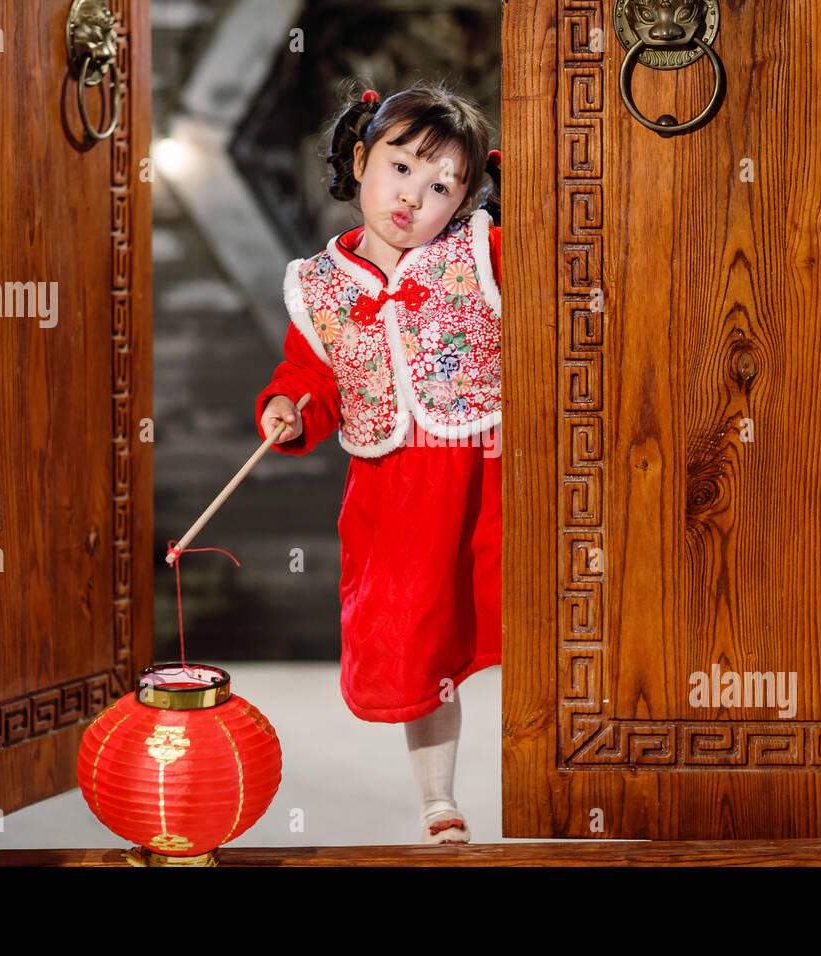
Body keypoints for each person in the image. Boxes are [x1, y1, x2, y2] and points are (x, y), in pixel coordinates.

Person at [254, 80, 501, 845]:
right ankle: (438, 799)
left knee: (528, 617)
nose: (412, 197)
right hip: (397, 491)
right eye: (401, 168)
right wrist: (288, 411)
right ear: (360, 158)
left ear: (461, 200)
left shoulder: (480, 250)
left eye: (441, 186)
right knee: (419, 643)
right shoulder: (318, 285)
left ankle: (573, 762)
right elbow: (313, 380)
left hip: (492, 471)